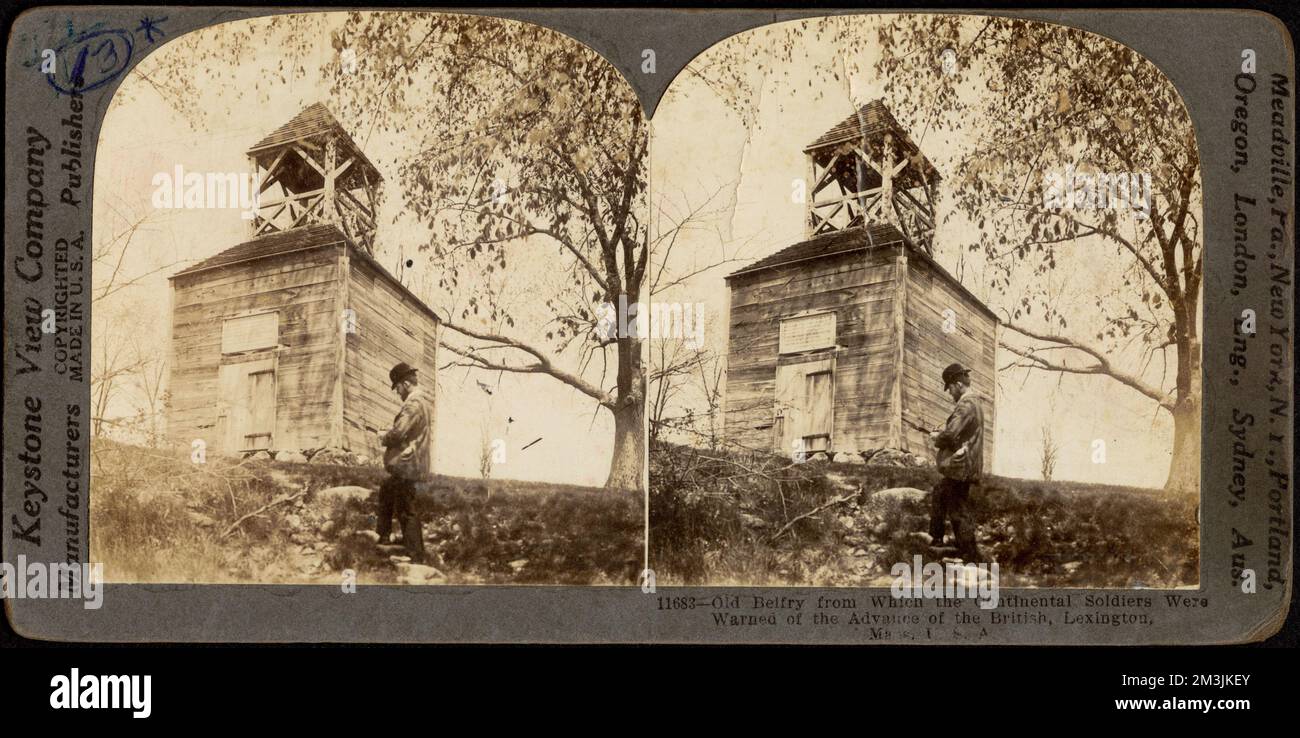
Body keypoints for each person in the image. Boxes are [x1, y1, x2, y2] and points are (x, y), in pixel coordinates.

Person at [376, 361, 434, 561]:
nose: (398, 392)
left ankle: (416, 554)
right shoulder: (422, 403)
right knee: (387, 490)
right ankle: (384, 537)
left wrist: (384, 436)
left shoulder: (413, 403)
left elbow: (399, 432)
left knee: (406, 508)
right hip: (411, 462)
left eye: (398, 388)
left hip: (408, 464)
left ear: (406, 384)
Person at [927, 362, 986, 561]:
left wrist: (937, 437)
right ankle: (936, 540)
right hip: (963, 464)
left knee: (958, 510)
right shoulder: (972, 403)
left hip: (962, 466)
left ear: (958, 384)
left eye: (950, 388)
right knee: (940, 493)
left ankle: (971, 556)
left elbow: (952, 433)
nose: (950, 393)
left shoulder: (967, 404)